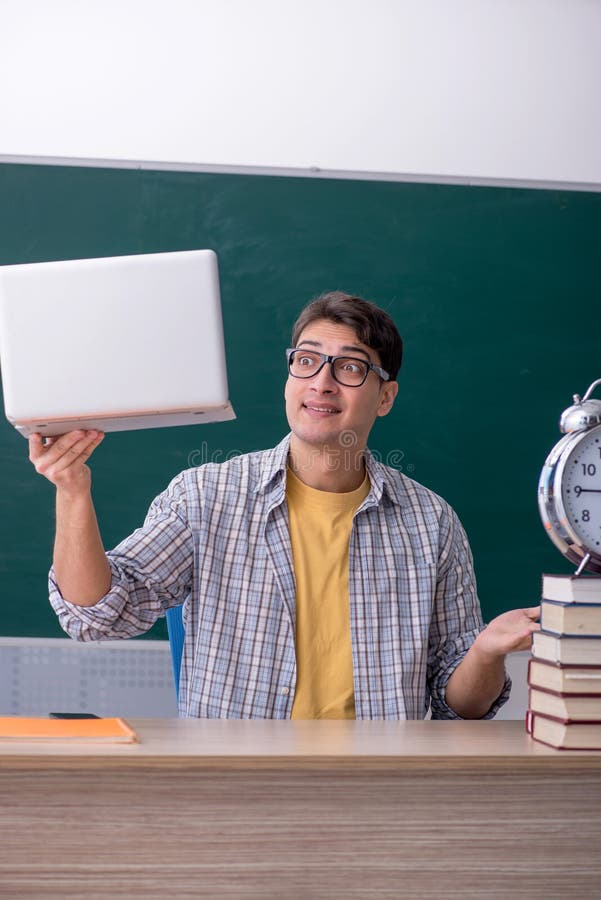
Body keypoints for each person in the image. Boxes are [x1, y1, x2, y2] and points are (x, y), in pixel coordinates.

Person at [29, 291, 540, 719]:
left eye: (350, 368)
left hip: (380, 790)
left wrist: (486, 651)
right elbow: (95, 615)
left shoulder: (432, 524)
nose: (322, 381)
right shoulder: (207, 497)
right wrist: (72, 490)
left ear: (385, 398)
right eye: (307, 360)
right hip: (236, 789)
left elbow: (461, 706)